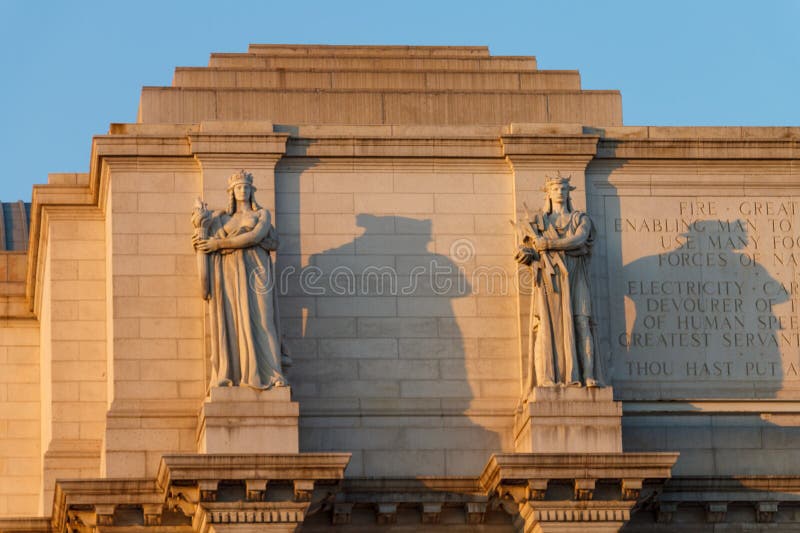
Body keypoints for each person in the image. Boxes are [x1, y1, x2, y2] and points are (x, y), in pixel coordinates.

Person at [192, 170, 289, 390]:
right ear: (232, 192)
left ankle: (273, 373)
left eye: (246, 187)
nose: (242, 190)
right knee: (233, 321)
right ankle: (234, 373)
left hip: (257, 270)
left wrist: (219, 244)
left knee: (264, 320)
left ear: (251, 191)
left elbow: (256, 236)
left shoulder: (262, 214)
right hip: (229, 273)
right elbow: (204, 242)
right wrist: (201, 232)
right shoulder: (222, 219)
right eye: (238, 187)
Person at [514, 174, 602, 395]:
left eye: (563, 189)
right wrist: (526, 253)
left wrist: (549, 244)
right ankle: (548, 377)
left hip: (576, 274)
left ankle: (588, 375)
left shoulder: (580, 219)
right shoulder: (539, 223)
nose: (560, 192)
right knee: (545, 326)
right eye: (555, 189)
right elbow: (530, 250)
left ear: (569, 192)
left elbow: (579, 239)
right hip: (549, 279)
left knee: (582, 321)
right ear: (548, 194)